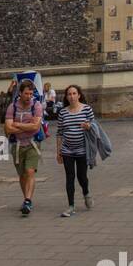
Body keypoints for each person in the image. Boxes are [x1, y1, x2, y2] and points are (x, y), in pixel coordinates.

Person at [5, 79, 45, 216]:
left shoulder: (37, 106)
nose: (29, 96)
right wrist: (26, 127)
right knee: (22, 175)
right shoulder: (13, 107)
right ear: (20, 93)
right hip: (17, 145)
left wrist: (17, 125)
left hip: (33, 143)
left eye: (31, 94)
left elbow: (35, 127)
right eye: (27, 94)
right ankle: (26, 198)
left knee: (30, 172)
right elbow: (8, 129)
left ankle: (28, 200)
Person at [57, 84, 95, 217]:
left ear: (79, 95)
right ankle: (71, 206)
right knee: (69, 177)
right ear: (66, 97)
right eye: (69, 94)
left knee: (82, 176)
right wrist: (58, 152)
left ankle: (86, 193)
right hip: (67, 149)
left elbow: (94, 126)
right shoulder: (62, 112)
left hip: (82, 149)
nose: (72, 96)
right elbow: (60, 133)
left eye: (74, 93)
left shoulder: (86, 109)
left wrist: (88, 125)